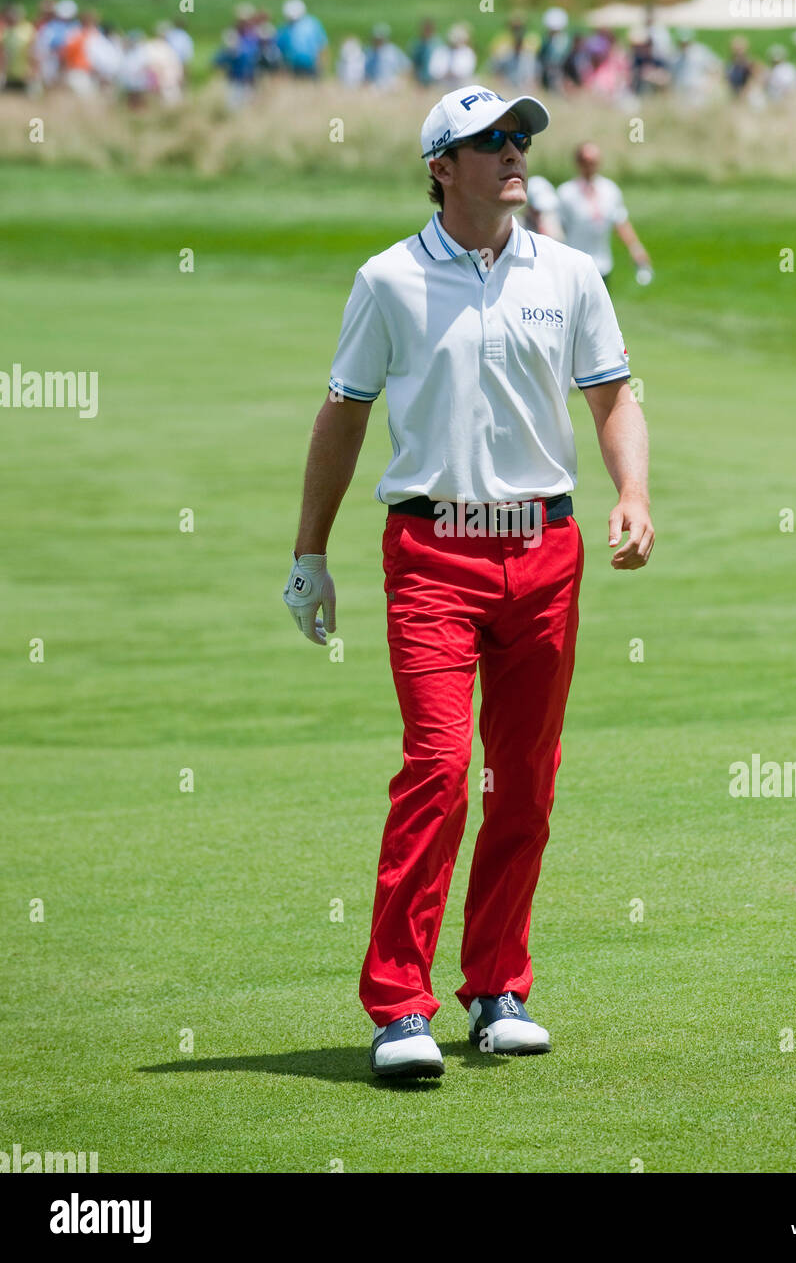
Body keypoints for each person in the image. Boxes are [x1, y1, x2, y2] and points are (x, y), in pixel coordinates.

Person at [282, 84, 654, 1079]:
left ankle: (498, 987)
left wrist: (632, 492)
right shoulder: (389, 280)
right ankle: (398, 1004)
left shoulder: (570, 271)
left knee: (524, 781)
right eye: (489, 141)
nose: (514, 151)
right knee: (441, 769)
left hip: (543, 549)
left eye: (519, 136)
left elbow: (612, 393)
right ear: (441, 166)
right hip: (433, 552)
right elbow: (344, 414)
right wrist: (308, 551)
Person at [557, 141, 652, 290]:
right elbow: (556, 230)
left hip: (602, 264)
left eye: (594, 161)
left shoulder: (609, 190)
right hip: (574, 266)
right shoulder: (566, 193)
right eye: (586, 161)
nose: (590, 166)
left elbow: (620, 222)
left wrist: (635, 248)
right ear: (578, 163)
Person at [277, 0, 328, 79]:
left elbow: (322, 46)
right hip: (293, 66)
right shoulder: (284, 28)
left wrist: (321, 65)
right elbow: (280, 50)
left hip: (311, 65)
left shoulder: (312, 24)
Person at [363, 23, 409, 91]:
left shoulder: (393, 51)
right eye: (376, 39)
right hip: (375, 84)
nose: (378, 42)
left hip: (391, 83)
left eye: (380, 39)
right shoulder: (369, 52)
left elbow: (406, 67)